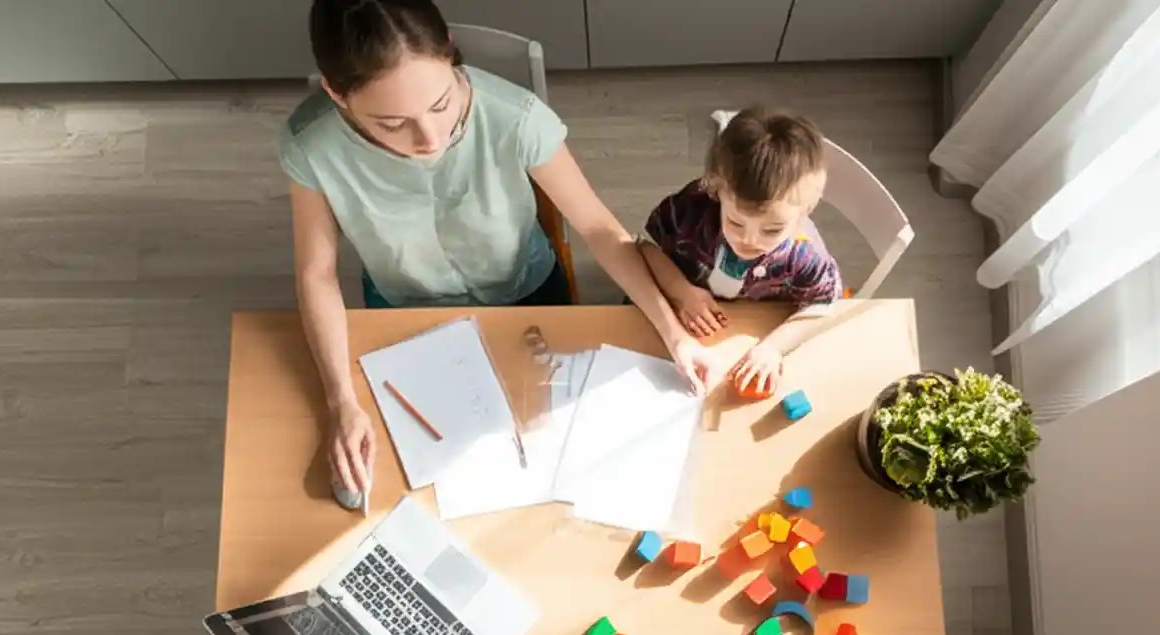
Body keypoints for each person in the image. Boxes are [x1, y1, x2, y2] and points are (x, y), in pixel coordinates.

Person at [282, 0, 722, 508]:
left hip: (526, 291)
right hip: (403, 304)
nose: (429, 139)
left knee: (551, 447)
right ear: (336, 94)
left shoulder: (516, 117)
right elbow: (316, 274)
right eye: (391, 123)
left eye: (441, 104)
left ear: (448, 50)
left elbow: (601, 230)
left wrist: (674, 335)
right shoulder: (310, 145)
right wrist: (340, 401)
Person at [637, 106, 844, 395]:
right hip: (672, 320)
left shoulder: (804, 255)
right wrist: (681, 291)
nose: (750, 240)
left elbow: (824, 305)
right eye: (735, 222)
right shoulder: (692, 209)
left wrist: (773, 348)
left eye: (772, 230)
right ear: (715, 190)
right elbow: (645, 250)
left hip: (745, 335)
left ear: (806, 210)